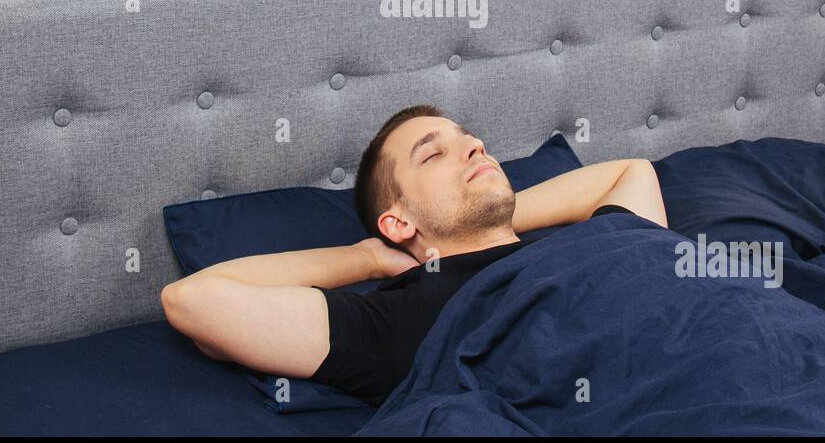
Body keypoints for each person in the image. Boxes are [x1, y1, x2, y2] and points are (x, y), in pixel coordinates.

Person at [160, 104, 669, 406]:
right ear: (398, 222)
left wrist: (491, 219)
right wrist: (368, 257)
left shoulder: (588, 244)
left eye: (469, 140)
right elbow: (193, 299)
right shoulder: (404, 318)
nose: (476, 148)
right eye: (434, 153)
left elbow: (631, 172)